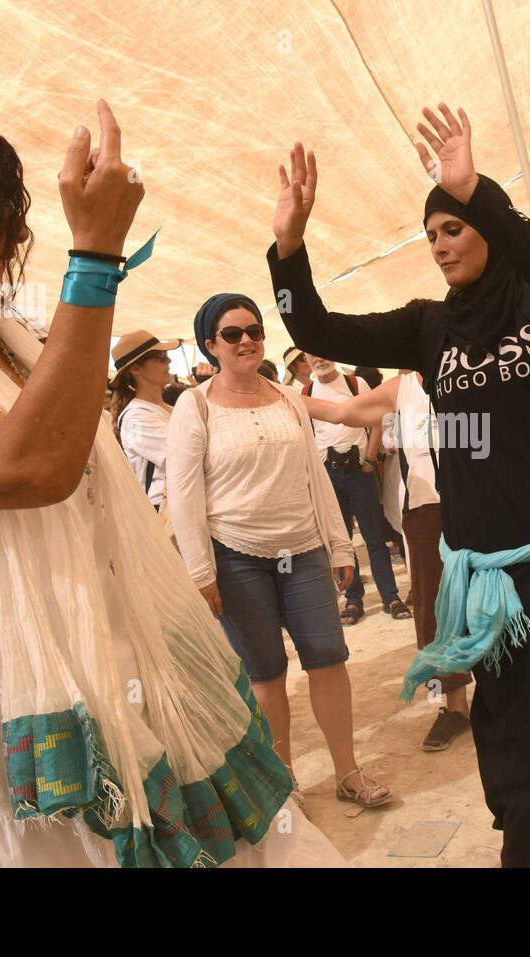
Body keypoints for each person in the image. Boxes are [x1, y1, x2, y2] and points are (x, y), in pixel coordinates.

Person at [0, 102, 335, 867]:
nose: (16, 236)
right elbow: (27, 465)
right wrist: (96, 256)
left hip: (85, 668)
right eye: (2, 212)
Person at [267, 106, 530, 866]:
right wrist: (290, 247)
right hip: (491, 583)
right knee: (514, 737)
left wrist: (473, 187)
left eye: (454, 227)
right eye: (432, 236)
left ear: (491, 225)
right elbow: (317, 326)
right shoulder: (430, 326)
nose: (442, 244)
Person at [167, 293, 392, 808]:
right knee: (266, 674)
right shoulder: (193, 405)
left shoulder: (290, 397)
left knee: (329, 660)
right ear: (210, 345)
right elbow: (184, 494)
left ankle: (348, 773)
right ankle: (284, 780)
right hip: (235, 555)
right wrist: (201, 571)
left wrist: (340, 546)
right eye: (232, 334)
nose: (246, 340)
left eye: (254, 330)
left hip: (304, 550)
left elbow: (315, 476)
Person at [303, 371, 473, 752]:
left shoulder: (473, 373)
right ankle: (454, 708)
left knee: (495, 598)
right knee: (432, 609)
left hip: (482, 501)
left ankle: (508, 699)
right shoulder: (404, 387)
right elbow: (342, 412)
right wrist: (277, 394)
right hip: (427, 507)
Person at [302, 354, 410, 625]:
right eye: (310, 353)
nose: (318, 358)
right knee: (342, 540)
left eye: (321, 351)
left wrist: (370, 460)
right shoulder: (305, 392)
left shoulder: (355, 383)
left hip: (360, 473)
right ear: (305, 358)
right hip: (329, 476)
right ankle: (353, 598)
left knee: (375, 538)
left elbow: (376, 420)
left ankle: (390, 596)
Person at [109, 329, 178, 509]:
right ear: (136, 368)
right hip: (163, 507)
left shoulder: (169, 409)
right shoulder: (136, 418)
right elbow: (184, 455)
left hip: (181, 501)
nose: (169, 360)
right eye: (161, 356)